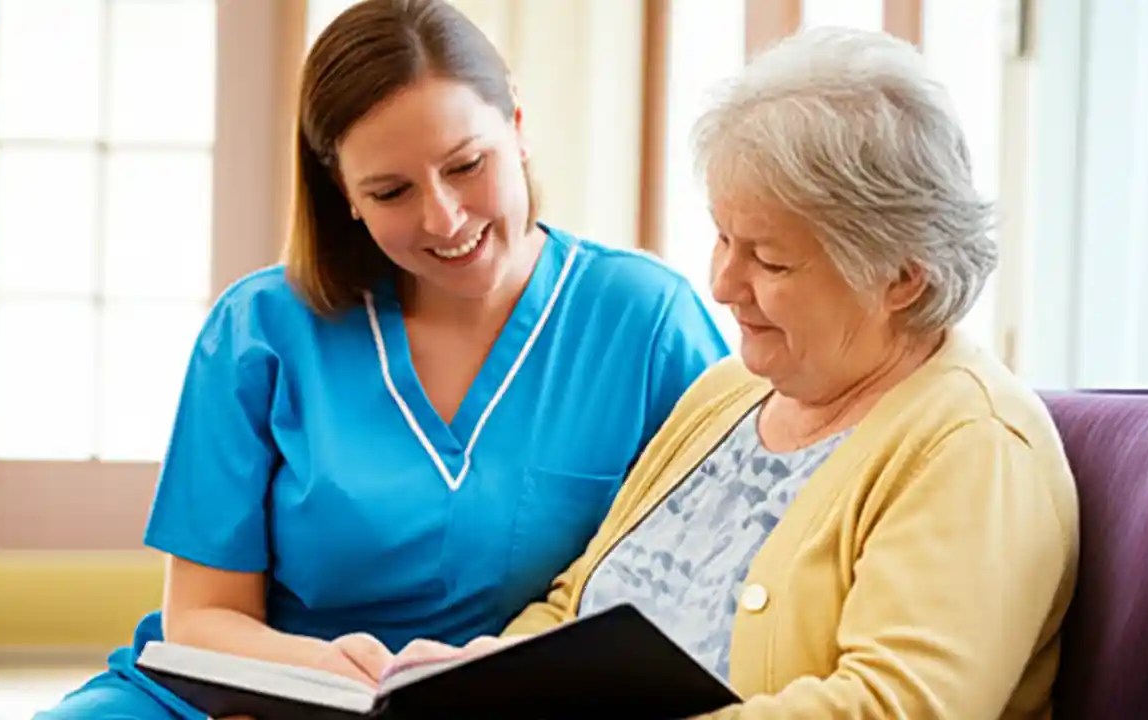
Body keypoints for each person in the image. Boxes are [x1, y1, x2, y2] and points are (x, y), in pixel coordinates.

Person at [34, 0, 727, 717]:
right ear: (345, 194)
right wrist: (326, 668)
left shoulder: (645, 319)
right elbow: (202, 618)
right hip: (265, 687)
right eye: (392, 191)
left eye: (467, 164)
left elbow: (714, 576)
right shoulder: (260, 328)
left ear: (516, 126)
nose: (445, 219)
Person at [416, 28, 1080, 719]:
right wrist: (482, 676)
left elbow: (890, 708)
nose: (724, 283)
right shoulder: (729, 394)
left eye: (770, 260)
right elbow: (576, 603)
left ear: (902, 278)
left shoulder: (974, 448)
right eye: (724, 237)